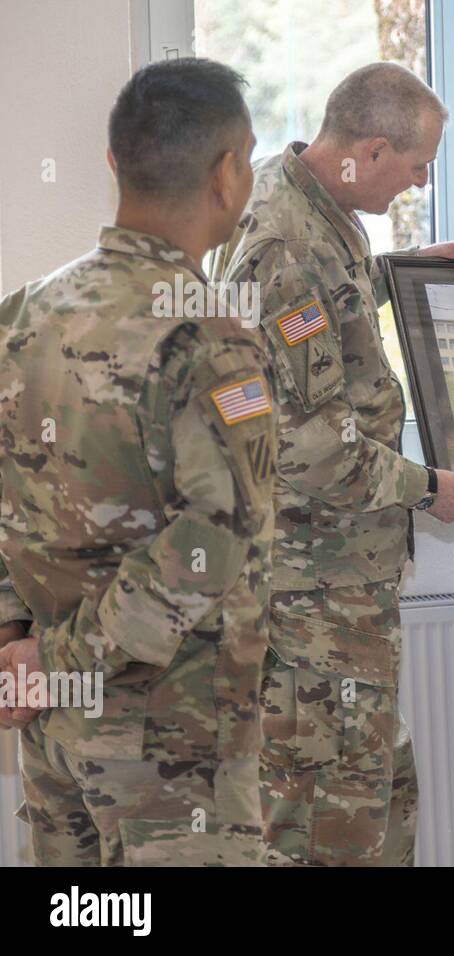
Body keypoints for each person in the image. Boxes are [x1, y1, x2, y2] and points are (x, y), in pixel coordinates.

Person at [211, 61, 454, 866]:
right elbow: (305, 448)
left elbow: (318, 318)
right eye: (415, 167)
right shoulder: (283, 245)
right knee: (322, 819)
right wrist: (427, 488)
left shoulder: (310, 203)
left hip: (335, 587)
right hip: (310, 594)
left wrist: (404, 274)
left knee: (373, 792)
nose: (420, 180)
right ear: (371, 151)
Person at [0, 58, 273, 866]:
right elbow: (213, 542)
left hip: (55, 730)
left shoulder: (24, 313)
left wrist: (17, 642)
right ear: (226, 174)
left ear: (116, 162)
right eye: (249, 157)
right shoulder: (213, 339)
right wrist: (50, 659)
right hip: (171, 748)